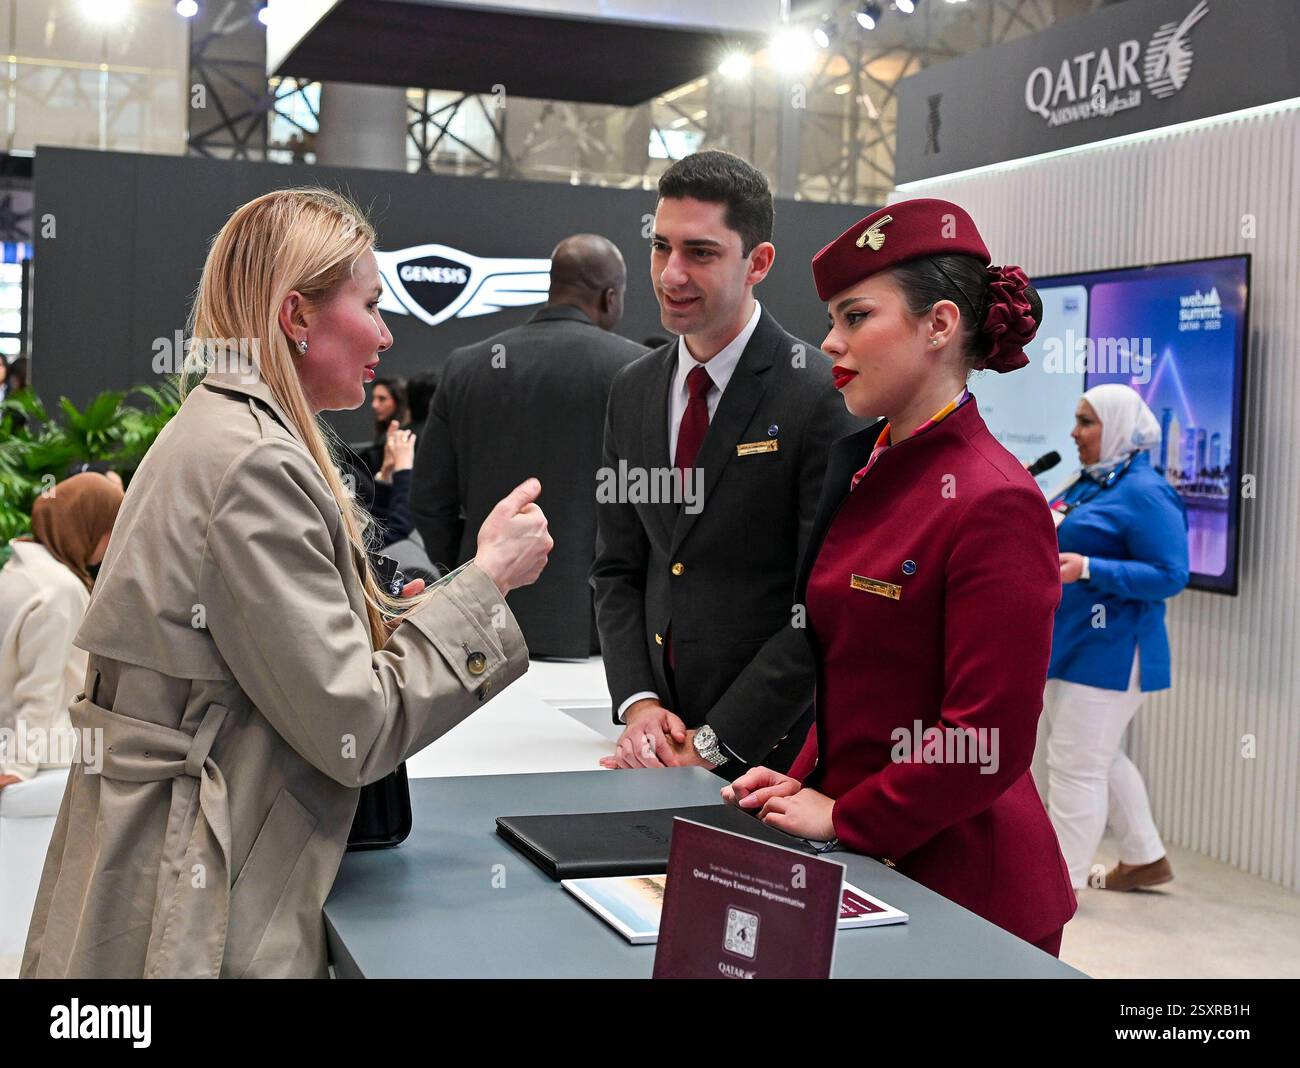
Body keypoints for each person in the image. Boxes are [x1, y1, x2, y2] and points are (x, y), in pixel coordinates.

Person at [21, 188, 552, 979]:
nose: (385, 332)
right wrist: (487, 583)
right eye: (370, 304)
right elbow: (357, 726)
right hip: (204, 895)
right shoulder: (257, 463)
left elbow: (274, 664)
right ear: (297, 316)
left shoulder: (219, 430)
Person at [723, 199, 1077, 956]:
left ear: (939, 325)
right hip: (873, 866)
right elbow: (857, 672)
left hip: (965, 891)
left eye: (856, 317)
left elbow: (986, 736)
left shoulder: (995, 498)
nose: (831, 342)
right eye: (832, 319)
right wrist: (806, 781)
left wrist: (849, 816)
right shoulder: (866, 464)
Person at [593, 151, 862, 775]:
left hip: (777, 758)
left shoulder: (820, 395)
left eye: (701, 253)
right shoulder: (632, 389)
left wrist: (714, 743)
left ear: (758, 262)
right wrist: (638, 704)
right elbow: (618, 568)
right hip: (654, 747)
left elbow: (822, 605)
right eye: (661, 247)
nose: (670, 273)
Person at [412, 233, 645, 658]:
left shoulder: (466, 365)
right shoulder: (636, 371)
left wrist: (472, 575)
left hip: (480, 630)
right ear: (610, 297)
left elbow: (430, 500)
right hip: (600, 633)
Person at [1045, 383, 1189, 892]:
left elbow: (1171, 574)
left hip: (1113, 651)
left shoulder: (1146, 492)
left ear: (1118, 428)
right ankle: (1145, 856)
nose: (1074, 431)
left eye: (1087, 421)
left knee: (1075, 766)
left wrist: (1089, 567)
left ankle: (1062, 888)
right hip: (1074, 643)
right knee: (1097, 757)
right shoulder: (1090, 482)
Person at [0, 474, 123, 790]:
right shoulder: (59, 591)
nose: (112, 542)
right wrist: (18, 766)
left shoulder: (16, 572)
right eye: (110, 530)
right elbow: (41, 685)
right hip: (55, 748)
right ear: (88, 526)